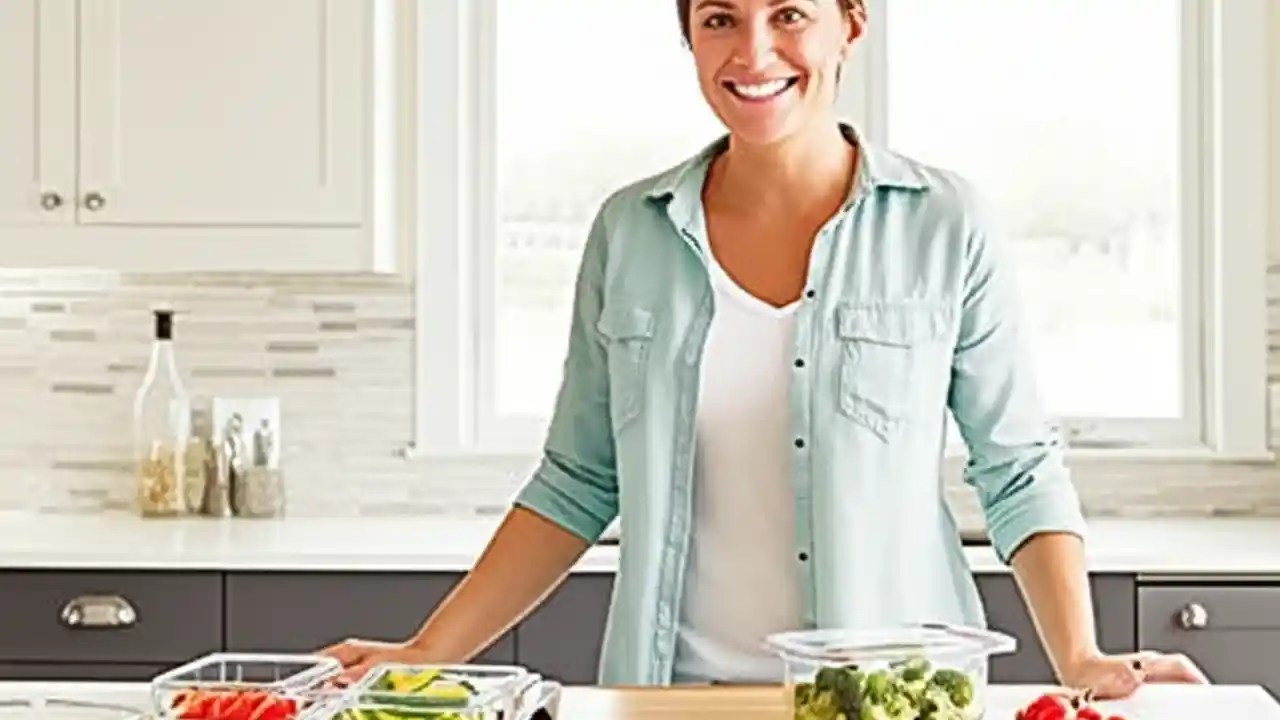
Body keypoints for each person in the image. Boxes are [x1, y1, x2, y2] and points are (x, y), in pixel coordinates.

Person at [322, 0, 1208, 697]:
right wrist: (428, 651)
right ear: (691, 37)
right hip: (671, 696)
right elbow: (579, 480)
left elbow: (1016, 468)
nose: (752, 53)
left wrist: (1082, 657)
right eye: (720, 19)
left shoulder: (945, 225)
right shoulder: (630, 233)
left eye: (789, 14)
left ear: (849, 23)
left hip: (889, 694)